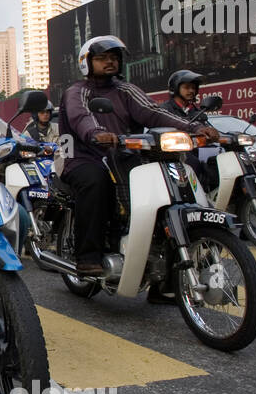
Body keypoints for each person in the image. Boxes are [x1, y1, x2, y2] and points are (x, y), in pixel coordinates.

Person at [59, 36, 218, 287]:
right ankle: (87, 256)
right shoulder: (77, 92)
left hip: (122, 155)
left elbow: (154, 112)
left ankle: (159, 274)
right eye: (102, 58)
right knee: (95, 181)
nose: (109, 62)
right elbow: (83, 117)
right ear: (86, 62)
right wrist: (96, 134)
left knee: (162, 186)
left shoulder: (126, 90)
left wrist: (195, 127)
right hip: (84, 157)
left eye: (114, 58)